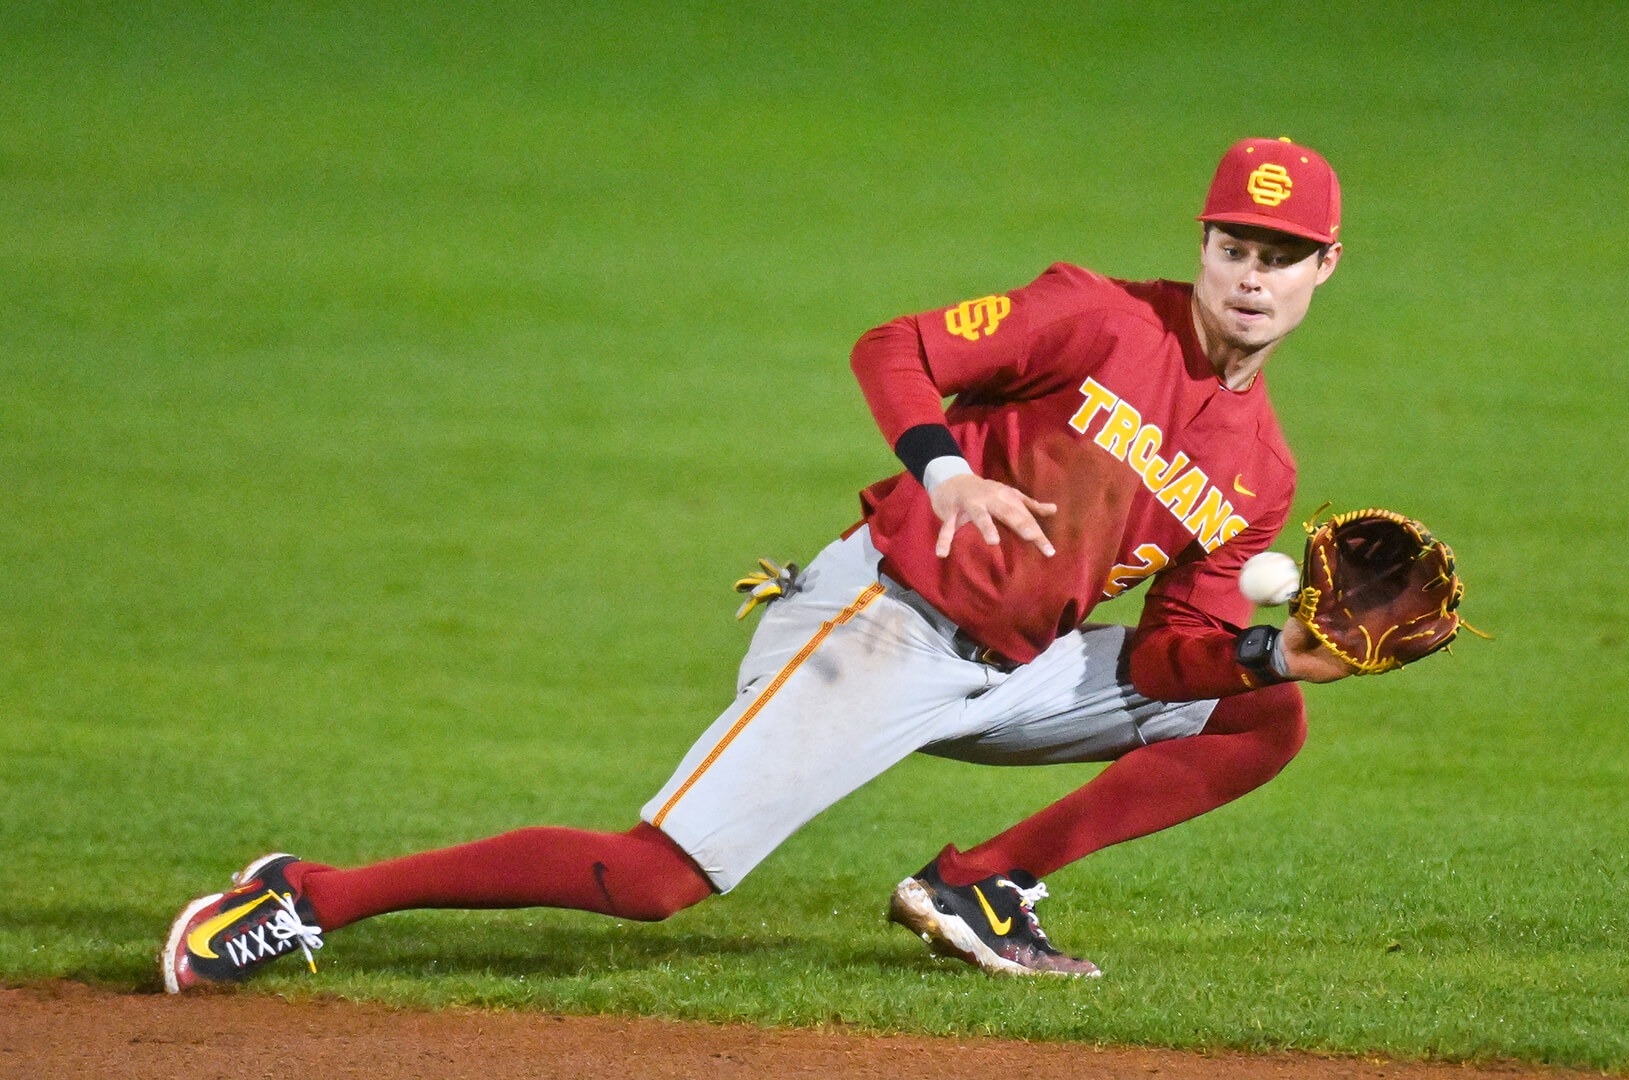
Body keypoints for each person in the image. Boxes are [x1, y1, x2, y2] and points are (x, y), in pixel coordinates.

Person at [163, 137, 1352, 990]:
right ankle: (309, 893)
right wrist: (946, 473)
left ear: (1322, 271)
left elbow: (1163, 657)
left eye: (1282, 254)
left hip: (1020, 667)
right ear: (1200, 244)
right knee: (653, 882)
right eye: (1235, 244)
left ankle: (982, 882)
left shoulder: (1263, 472)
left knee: (1263, 720)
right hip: (885, 622)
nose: (1254, 276)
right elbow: (895, 346)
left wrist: (1273, 651)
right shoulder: (1095, 317)